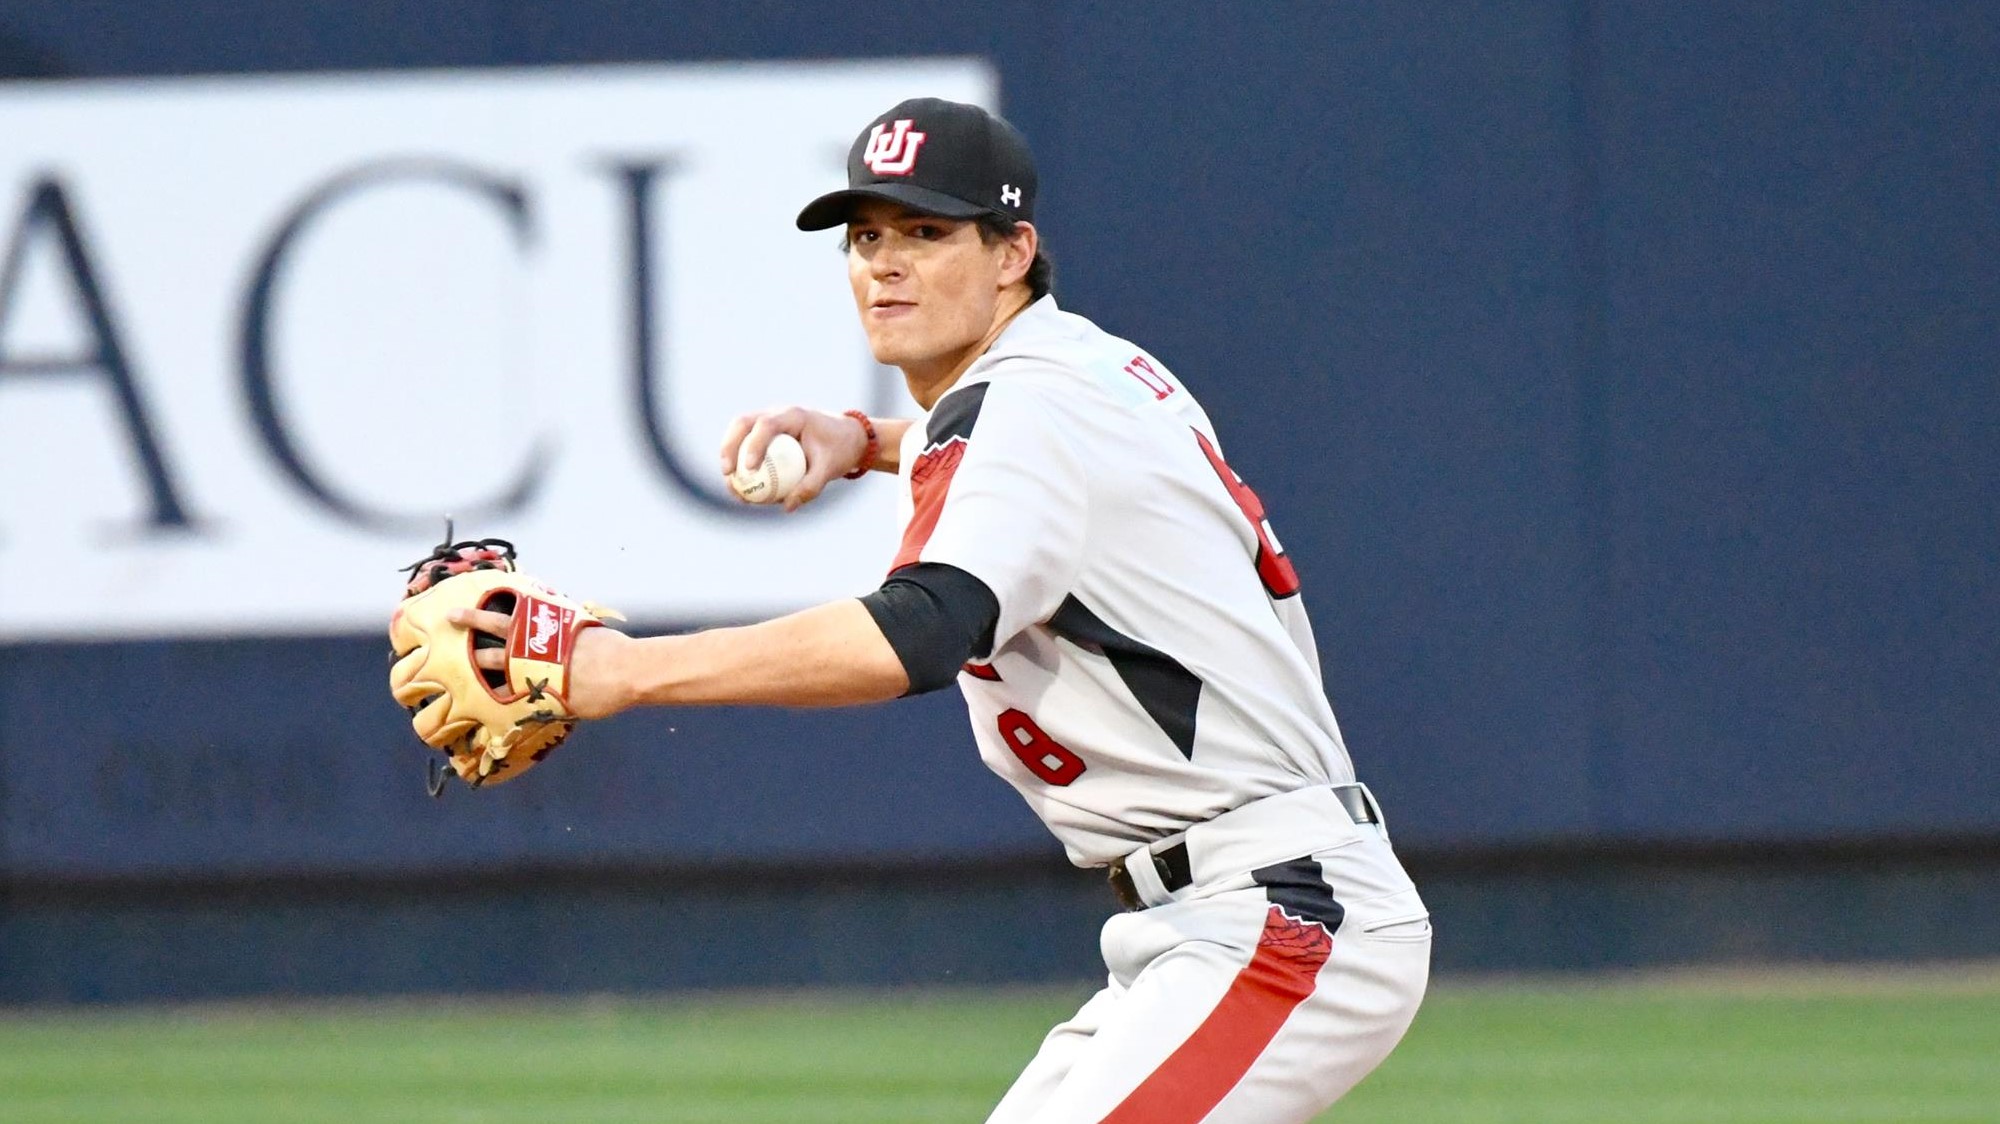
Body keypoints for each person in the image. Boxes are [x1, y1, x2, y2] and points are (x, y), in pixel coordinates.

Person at [454, 96, 1429, 1123]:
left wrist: (619, 670)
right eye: (865, 236)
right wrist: (866, 438)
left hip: (1277, 916)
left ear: (1012, 252)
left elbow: (914, 630)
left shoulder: (1024, 408)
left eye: (926, 232)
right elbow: (1041, 467)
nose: (885, 263)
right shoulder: (1091, 364)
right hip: (1223, 912)